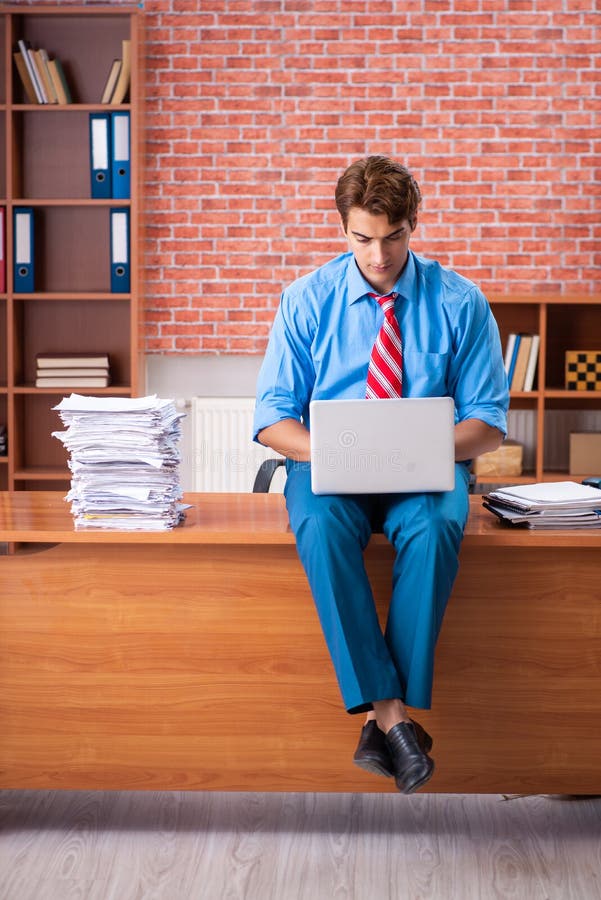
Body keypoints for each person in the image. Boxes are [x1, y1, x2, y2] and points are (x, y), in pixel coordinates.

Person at [253, 155, 509, 794]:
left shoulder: (460, 301)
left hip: (425, 471)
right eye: (362, 238)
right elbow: (271, 419)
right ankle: (392, 716)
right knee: (317, 524)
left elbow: (488, 421)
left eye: (392, 237)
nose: (378, 254)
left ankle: (381, 721)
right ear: (343, 229)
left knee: (436, 526)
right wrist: (331, 452)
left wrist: (418, 450)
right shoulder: (306, 300)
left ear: (412, 226)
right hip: (328, 467)